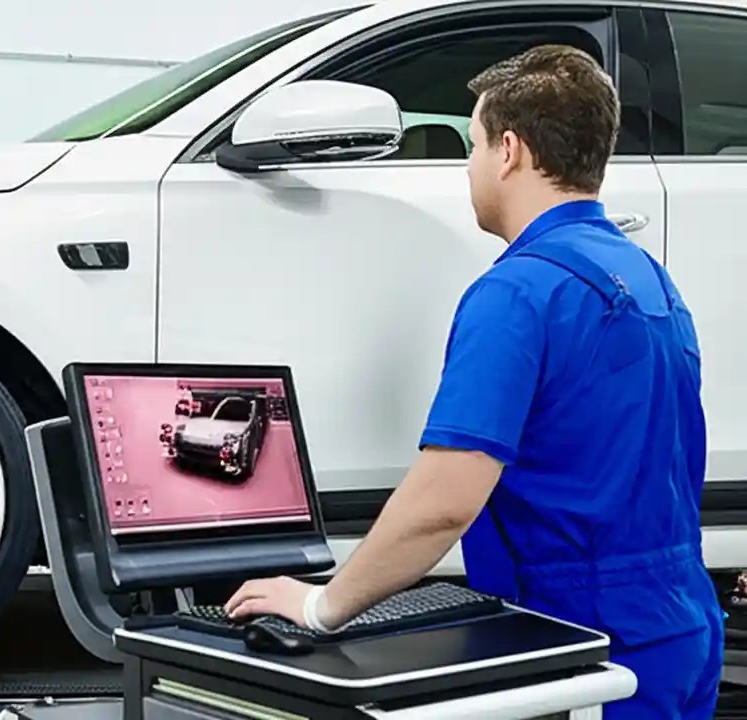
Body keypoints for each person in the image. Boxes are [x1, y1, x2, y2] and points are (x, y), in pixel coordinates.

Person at [224, 44, 725, 717]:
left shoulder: (518, 293)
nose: (470, 167)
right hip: (683, 626)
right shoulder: (649, 279)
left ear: (509, 152)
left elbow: (445, 501)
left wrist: (320, 605)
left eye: (472, 145)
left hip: (591, 646)